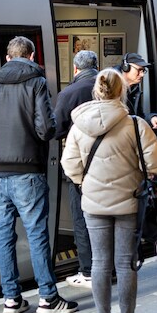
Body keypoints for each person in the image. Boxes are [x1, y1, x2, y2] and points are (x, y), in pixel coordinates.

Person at [0, 36, 78, 313]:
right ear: (30, 57)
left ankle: (11, 301)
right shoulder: (37, 82)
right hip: (28, 171)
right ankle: (48, 299)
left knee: (4, 235)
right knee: (37, 234)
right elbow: (45, 129)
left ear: (8, 58)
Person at [61, 69, 157, 313]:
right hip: (128, 203)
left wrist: (86, 183)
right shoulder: (135, 124)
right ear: (122, 91)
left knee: (99, 263)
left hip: (93, 205)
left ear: (97, 91)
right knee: (125, 264)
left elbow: (69, 165)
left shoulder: (79, 125)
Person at [54, 50, 101, 289]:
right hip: (107, 167)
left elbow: (56, 129)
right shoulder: (111, 88)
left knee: (81, 219)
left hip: (81, 169)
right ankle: (106, 268)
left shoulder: (69, 93)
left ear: (75, 69)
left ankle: (87, 270)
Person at [120, 53, 157, 131]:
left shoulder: (134, 90)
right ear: (126, 67)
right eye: (139, 70)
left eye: (143, 70)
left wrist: (151, 118)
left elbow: (138, 117)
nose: (142, 74)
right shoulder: (109, 89)